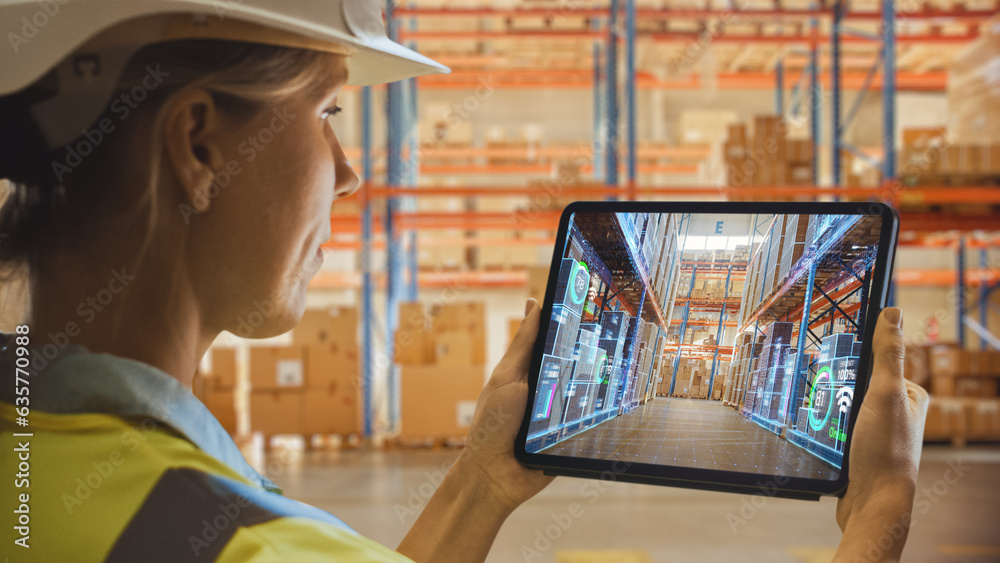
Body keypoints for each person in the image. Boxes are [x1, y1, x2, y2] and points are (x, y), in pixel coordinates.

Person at [0, 2, 928, 561]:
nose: (348, 170)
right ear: (199, 143)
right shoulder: (241, 541)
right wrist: (881, 508)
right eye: (327, 109)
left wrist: (482, 480)